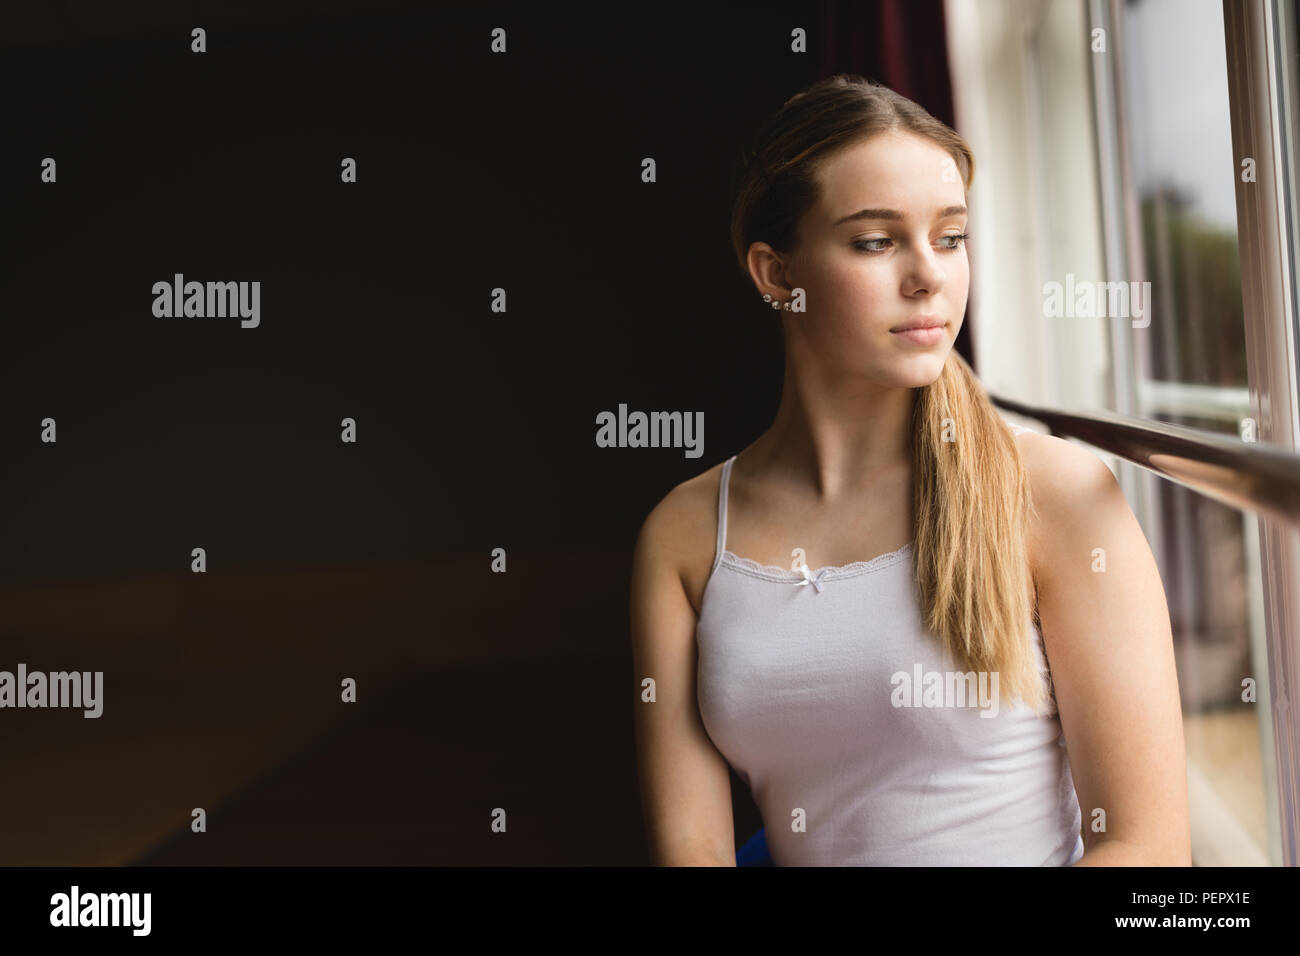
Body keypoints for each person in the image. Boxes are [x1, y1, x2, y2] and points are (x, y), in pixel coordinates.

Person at [630, 74, 1190, 866]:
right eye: (875, 241)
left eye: (951, 237)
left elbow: (1148, 845)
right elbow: (691, 843)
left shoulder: (1059, 496)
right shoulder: (684, 536)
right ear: (776, 274)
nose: (930, 275)